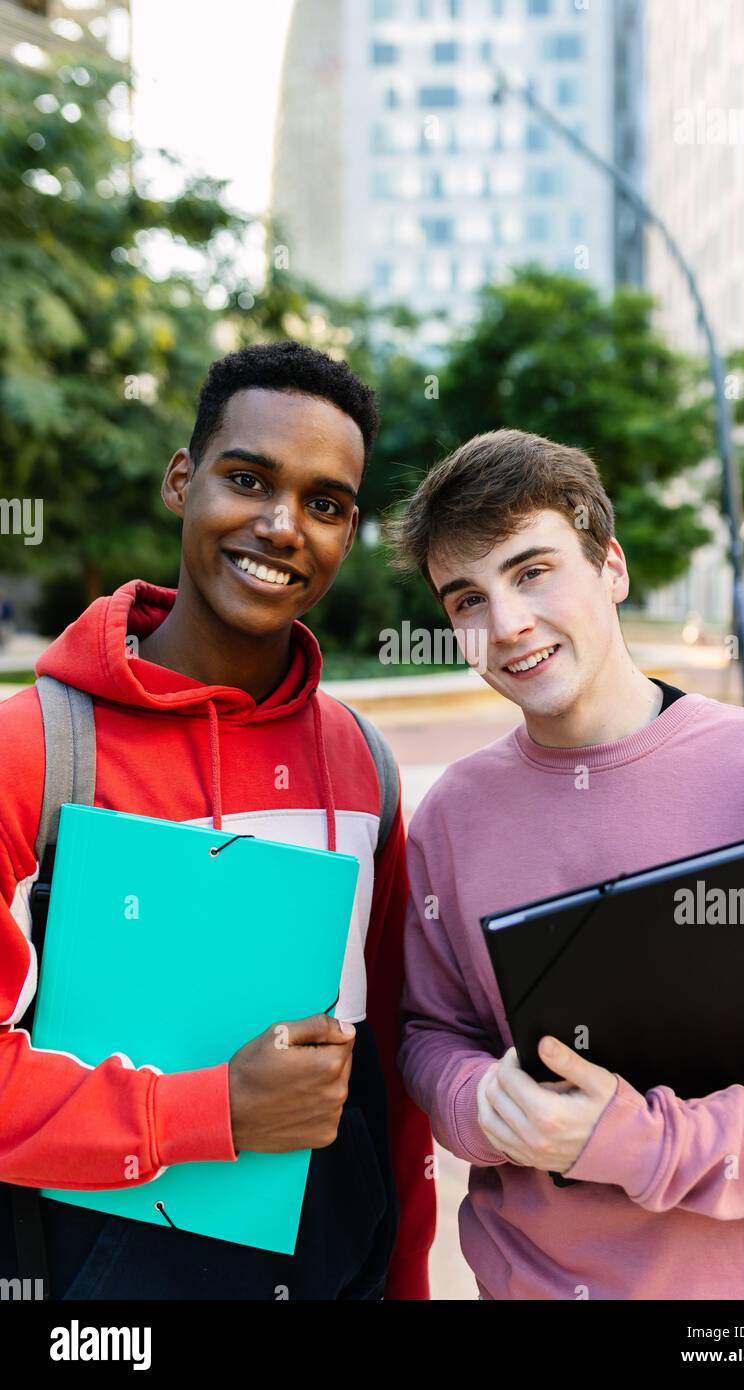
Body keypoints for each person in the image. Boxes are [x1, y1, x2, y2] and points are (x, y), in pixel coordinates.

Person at [388, 428, 744, 1301]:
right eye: (466, 599)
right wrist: (477, 1100)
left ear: (611, 566)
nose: (507, 626)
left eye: (533, 572)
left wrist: (634, 1140)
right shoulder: (451, 817)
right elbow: (430, 1034)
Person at [0, 341, 434, 1300]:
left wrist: (405, 1276)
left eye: (326, 504)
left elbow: (394, 1074)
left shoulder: (365, 764)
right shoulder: (31, 752)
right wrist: (212, 1111)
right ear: (181, 481)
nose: (283, 527)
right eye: (248, 480)